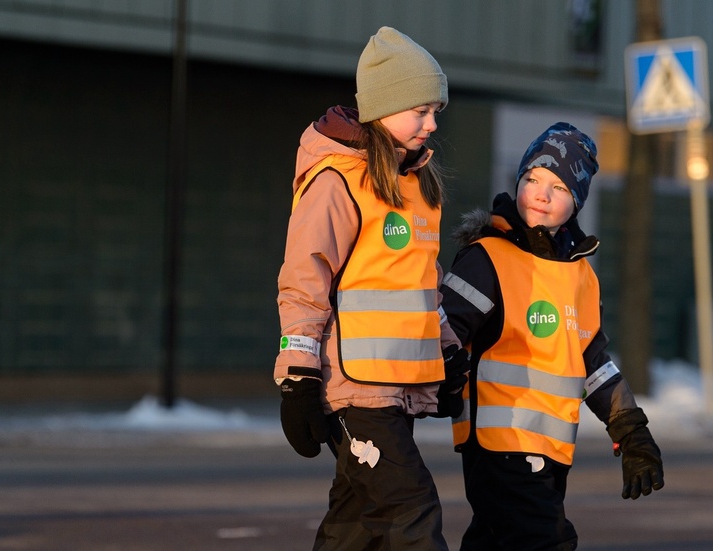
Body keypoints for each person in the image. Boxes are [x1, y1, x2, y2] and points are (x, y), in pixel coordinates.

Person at [273, 26, 468, 551]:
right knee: (413, 514)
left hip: (397, 387)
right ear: (382, 107)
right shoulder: (337, 181)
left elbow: (422, 288)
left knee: (355, 529)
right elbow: (303, 284)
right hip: (355, 389)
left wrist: (448, 356)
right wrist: (297, 378)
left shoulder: (417, 185)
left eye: (436, 112)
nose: (431, 125)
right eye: (419, 111)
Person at [440, 122, 664, 550]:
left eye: (558, 187)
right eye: (532, 179)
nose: (540, 194)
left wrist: (631, 429)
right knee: (546, 542)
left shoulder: (579, 275)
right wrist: (437, 378)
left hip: (551, 453)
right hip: (498, 445)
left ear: (576, 202)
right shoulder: (487, 258)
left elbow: (592, 364)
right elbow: (443, 330)